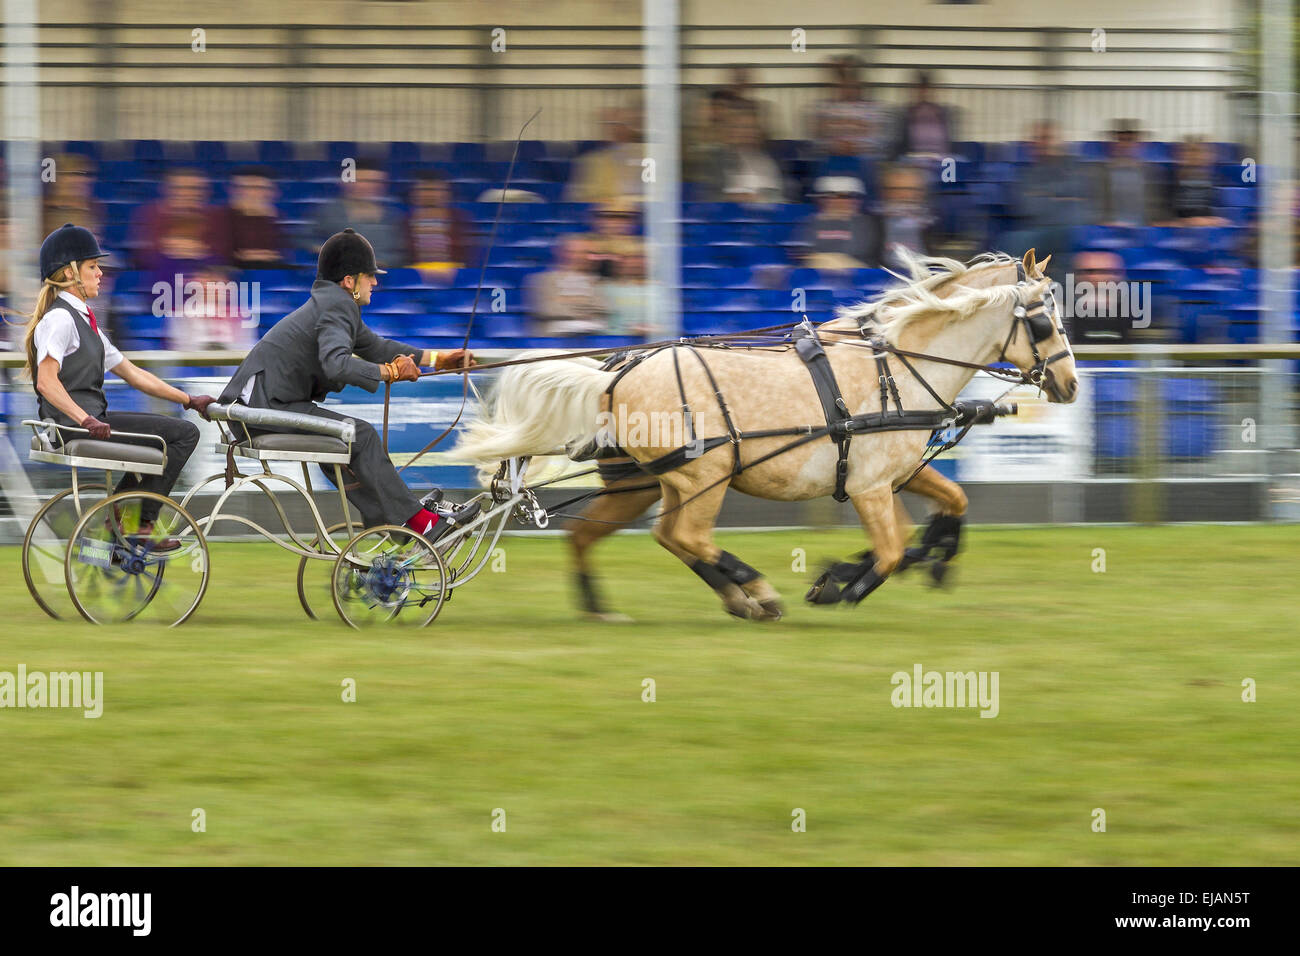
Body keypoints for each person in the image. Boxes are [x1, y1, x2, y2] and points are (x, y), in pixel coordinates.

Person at [217, 228, 478, 541]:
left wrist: (436, 358)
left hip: (260, 407)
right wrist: (389, 372)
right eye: (370, 276)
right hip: (262, 408)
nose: (375, 282)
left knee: (344, 445)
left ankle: (395, 522)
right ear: (349, 281)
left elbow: (375, 346)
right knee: (359, 434)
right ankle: (420, 523)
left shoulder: (336, 305)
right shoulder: (337, 306)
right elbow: (337, 364)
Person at [22, 224, 214, 547]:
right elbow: (46, 381)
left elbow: (134, 374)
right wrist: (86, 419)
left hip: (86, 423)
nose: (101, 274)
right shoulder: (60, 320)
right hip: (77, 426)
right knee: (184, 435)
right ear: (70, 273)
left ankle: (118, 525)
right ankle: (139, 525)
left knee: (163, 438)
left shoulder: (85, 323)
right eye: (93, 267)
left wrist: (188, 399)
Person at [311, 160, 410, 269]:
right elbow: (306, 240)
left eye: (373, 181)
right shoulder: (327, 213)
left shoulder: (393, 216)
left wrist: (380, 263)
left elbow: (400, 254)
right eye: (360, 180)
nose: (366, 186)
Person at [795, 175, 880, 270]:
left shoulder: (864, 224)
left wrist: (833, 261)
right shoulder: (811, 222)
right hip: (817, 275)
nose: (839, 201)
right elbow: (806, 255)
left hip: (857, 275)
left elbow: (861, 253)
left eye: (846, 197)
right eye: (833, 197)